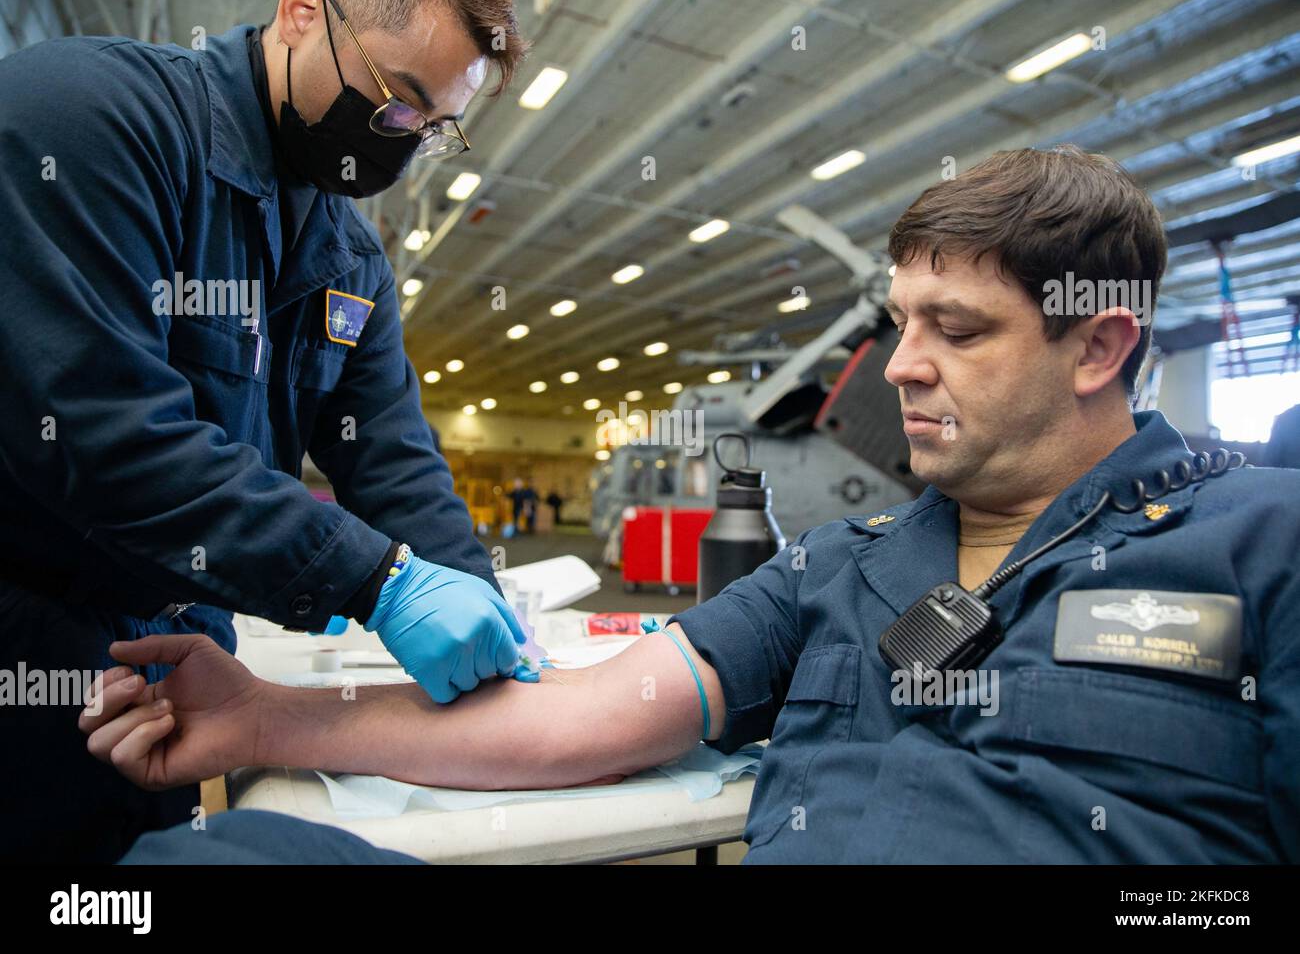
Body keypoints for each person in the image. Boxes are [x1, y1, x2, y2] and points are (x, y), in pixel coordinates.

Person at [82, 146, 1300, 864]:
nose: (902, 366)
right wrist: (258, 719)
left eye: (958, 330)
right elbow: (571, 722)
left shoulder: (1260, 546)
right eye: (898, 325)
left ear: (1099, 346)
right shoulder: (838, 567)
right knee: (211, 861)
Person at [0, 0, 531, 863]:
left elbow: (391, 457)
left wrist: (477, 600)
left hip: (165, 664)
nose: (401, 137)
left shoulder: (347, 263)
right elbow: (104, 435)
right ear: (299, 13)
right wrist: (380, 582)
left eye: (433, 125)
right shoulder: (88, 121)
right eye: (396, 98)